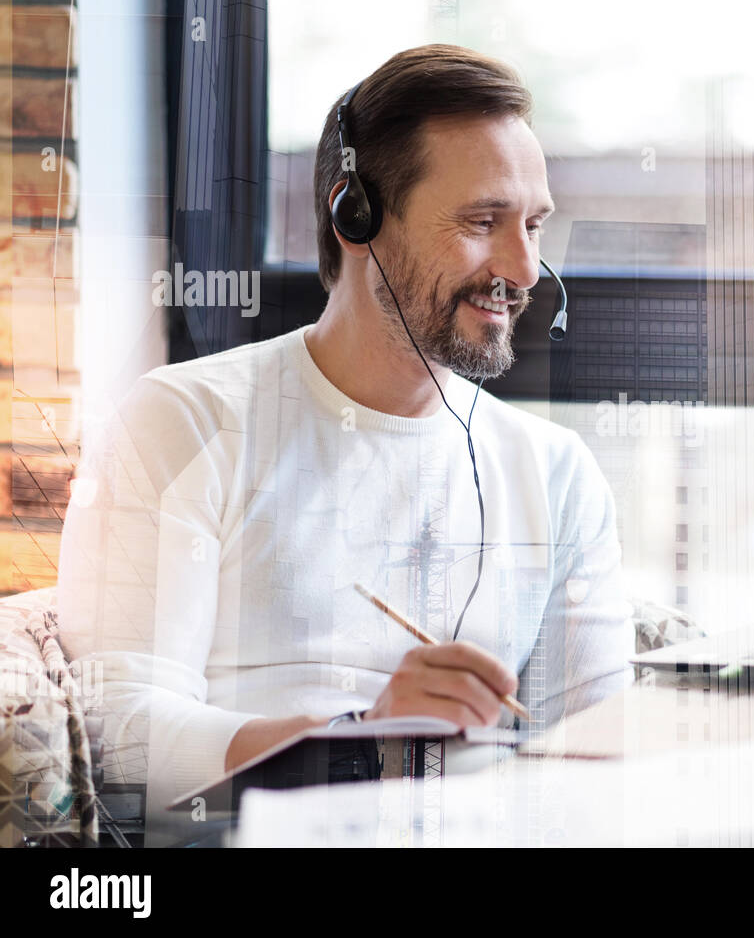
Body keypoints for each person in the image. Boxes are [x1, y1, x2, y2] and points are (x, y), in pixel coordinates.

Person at [55, 44, 633, 834]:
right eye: (481, 221)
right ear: (353, 216)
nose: (524, 269)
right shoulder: (184, 421)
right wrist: (359, 745)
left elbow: (596, 762)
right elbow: (116, 746)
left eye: (533, 226)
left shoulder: (557, 472)